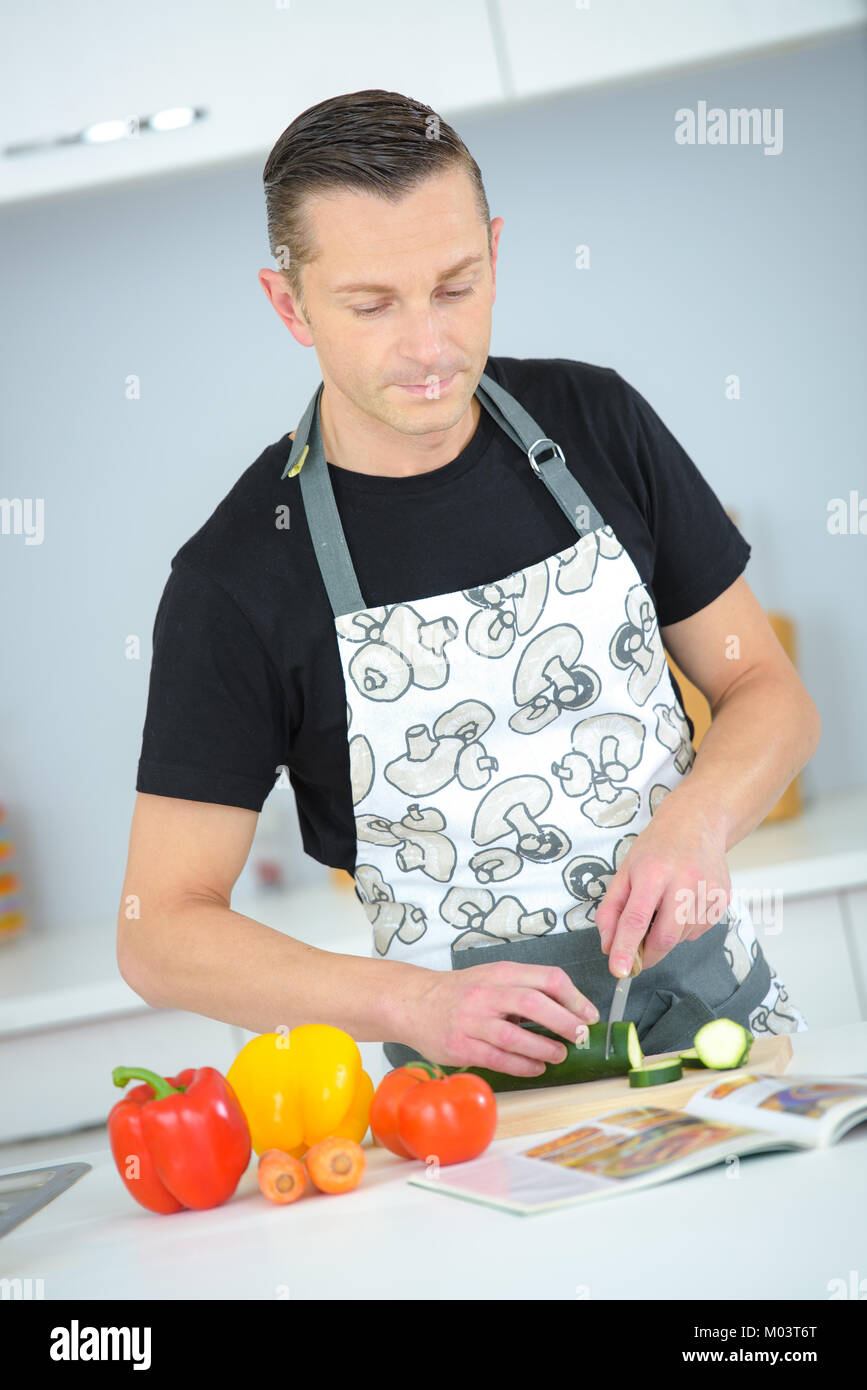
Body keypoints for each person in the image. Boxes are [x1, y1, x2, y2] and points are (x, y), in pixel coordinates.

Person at [118, 89, 820, 1083]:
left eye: (457, 287)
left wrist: (697, 823)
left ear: (495, 249)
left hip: (728, 1046)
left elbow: (771, 696)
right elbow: (160, 930)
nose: (429, 347)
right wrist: (411, 1001)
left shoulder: (601, 422)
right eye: (372, 305)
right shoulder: (236, 576)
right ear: (291, 305)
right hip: (466, 1118)